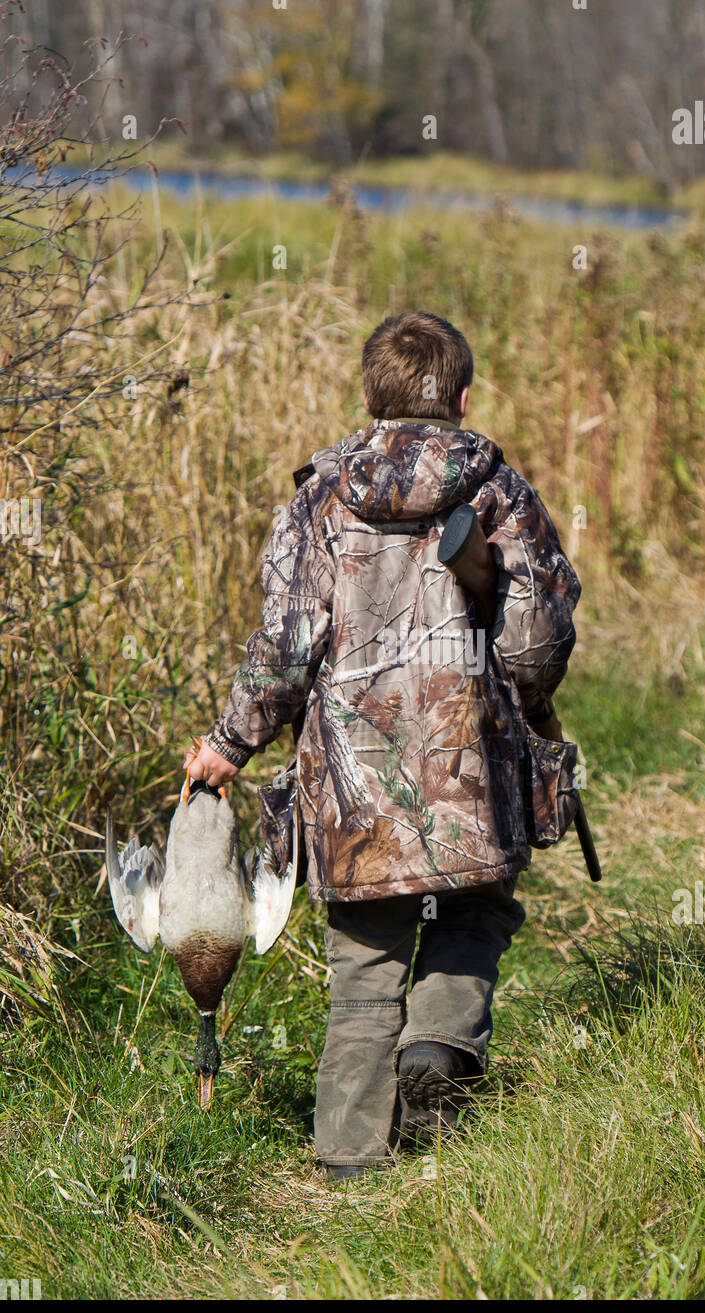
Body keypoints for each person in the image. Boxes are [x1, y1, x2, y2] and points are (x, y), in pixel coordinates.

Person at [185, 311, 581, 1179]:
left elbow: (285, 650)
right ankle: (437, 1045)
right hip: (470, 774)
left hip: (352, 797)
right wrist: (527, 704)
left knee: (362, 975)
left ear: (368, 399)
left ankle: (349, 1166)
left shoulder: (319, 500)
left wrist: (228, 744)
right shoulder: (501, 492)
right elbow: (534, 642)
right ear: (464, 396)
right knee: (475, 912)